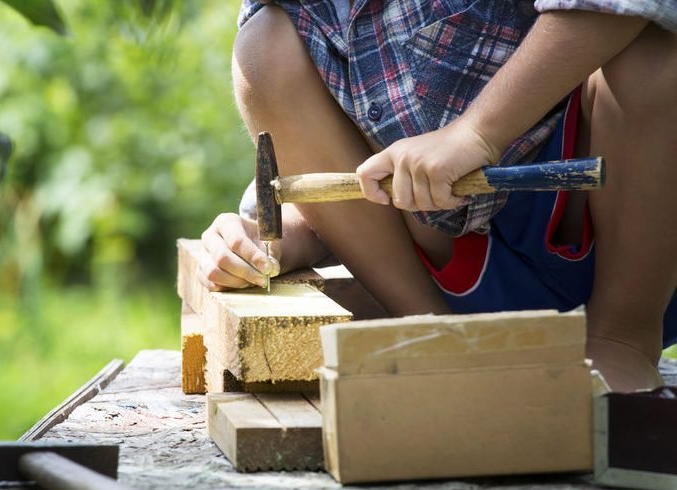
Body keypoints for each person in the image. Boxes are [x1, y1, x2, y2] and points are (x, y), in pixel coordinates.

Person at [196, 0, 677, 392]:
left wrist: (479, 133)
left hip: (626, 223)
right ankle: (433, 335)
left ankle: (622, 340)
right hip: (446, 266)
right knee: (264, 44)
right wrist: (282, 235)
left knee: (655, 45)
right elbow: (326, 138)